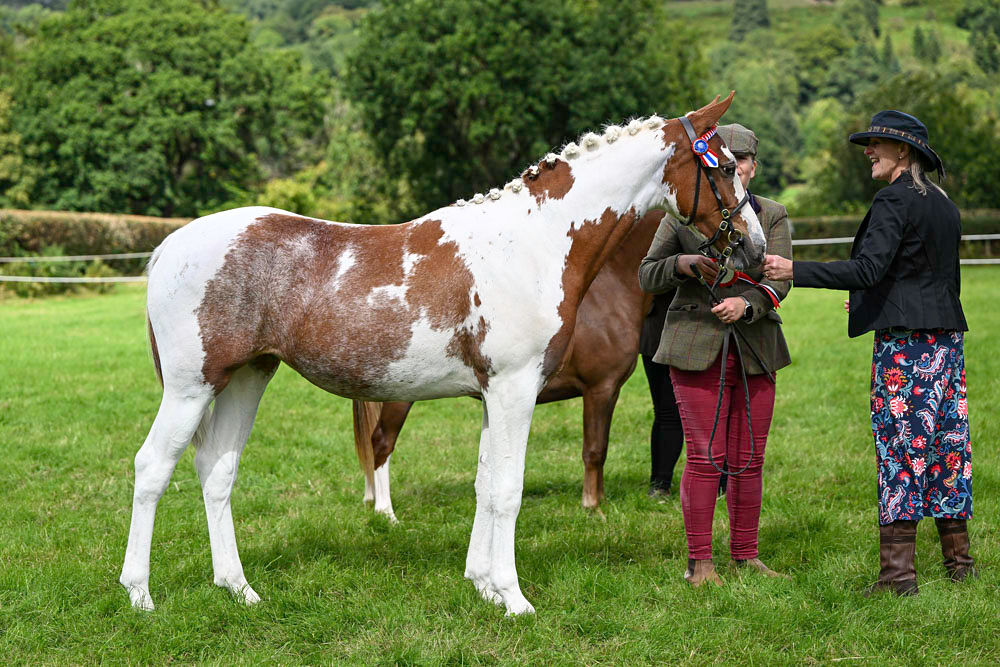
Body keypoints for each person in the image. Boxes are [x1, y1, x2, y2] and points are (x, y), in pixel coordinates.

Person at [763, 110, 975, 596]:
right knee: (947, 450)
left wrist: (793, 268)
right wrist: (871, 301)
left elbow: (868, 268)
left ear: (904, 151)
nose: (868, 151)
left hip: (907, 351)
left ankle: (898, 578)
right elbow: (921, 276)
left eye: (876, 143)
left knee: (901, 451)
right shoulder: (944, 203)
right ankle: (959, 565)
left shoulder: (893, 199)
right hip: (947, 343)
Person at [639, 123, 793, 586]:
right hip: (694, 346)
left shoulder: (773, 215)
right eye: (731, 162)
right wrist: (682, 264)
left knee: (750, 458)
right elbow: (647, 275)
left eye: (744, 161)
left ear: (754, 167)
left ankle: (746, 555)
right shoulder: (682, 216)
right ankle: (700, 564)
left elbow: (780, 280)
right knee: (706, 458)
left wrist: (749, 304)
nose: (739, 168)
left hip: (756, 349)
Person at [640, 288, 685, 497]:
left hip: (661, 325)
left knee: (666, 412)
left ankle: (660, 483)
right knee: (667, 412)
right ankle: (660, 482)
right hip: (662, 328)